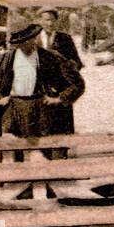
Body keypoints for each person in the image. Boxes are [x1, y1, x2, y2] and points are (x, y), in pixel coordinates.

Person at [0, 22, 85, 139]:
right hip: (12, 111)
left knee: (45, 151)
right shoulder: (3, 60)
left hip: (42, 112)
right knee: (10, 151)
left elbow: (78, 83)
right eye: (22, 42)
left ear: (34, 38)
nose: (28, 44)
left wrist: (60, 98)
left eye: (30, 39)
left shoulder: (51, 58)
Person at [36, 8, 82, 136]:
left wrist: (67, 68)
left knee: (61, 127)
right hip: (39, 89)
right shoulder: (34, 39)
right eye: (46, 20)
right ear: (40, 21)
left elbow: (77, 62)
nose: (49, 23)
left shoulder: (65, 39)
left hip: (61, 89)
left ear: (56, 21)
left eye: (52, 20)